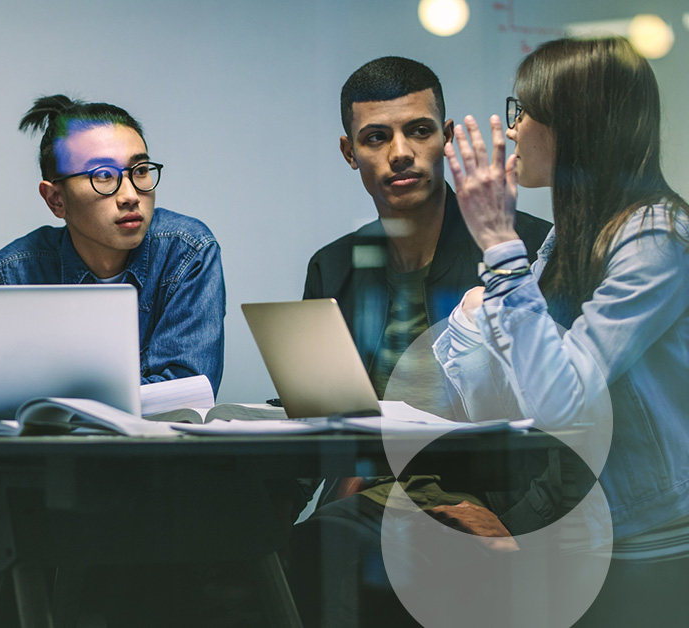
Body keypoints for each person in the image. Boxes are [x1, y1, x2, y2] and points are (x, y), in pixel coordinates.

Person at [291, 56, 553, 627]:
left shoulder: (521, 249)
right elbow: (319, 423)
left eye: (419, 130)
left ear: (448, 138)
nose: (401, 153)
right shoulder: (333, 267)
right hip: (367, 510)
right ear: (348, 152)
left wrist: (522, 518)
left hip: (484, 507)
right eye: (377, 137)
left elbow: (571, 413)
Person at [436, 36, 689, 625]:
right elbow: (494, 395)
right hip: (579, 521)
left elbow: (558, 400)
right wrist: (479, 307)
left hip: (649, 541)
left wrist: (499, 244)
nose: (513, 128)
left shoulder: (657, 236)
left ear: (574, 126)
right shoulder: (569, 235)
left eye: (524, 112)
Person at [0, 94, 226, 396]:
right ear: (56, 199)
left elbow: (186, 393)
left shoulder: (187, 252)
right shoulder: (9, 276)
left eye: (141, 170)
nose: (131, 195)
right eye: (103, 175)